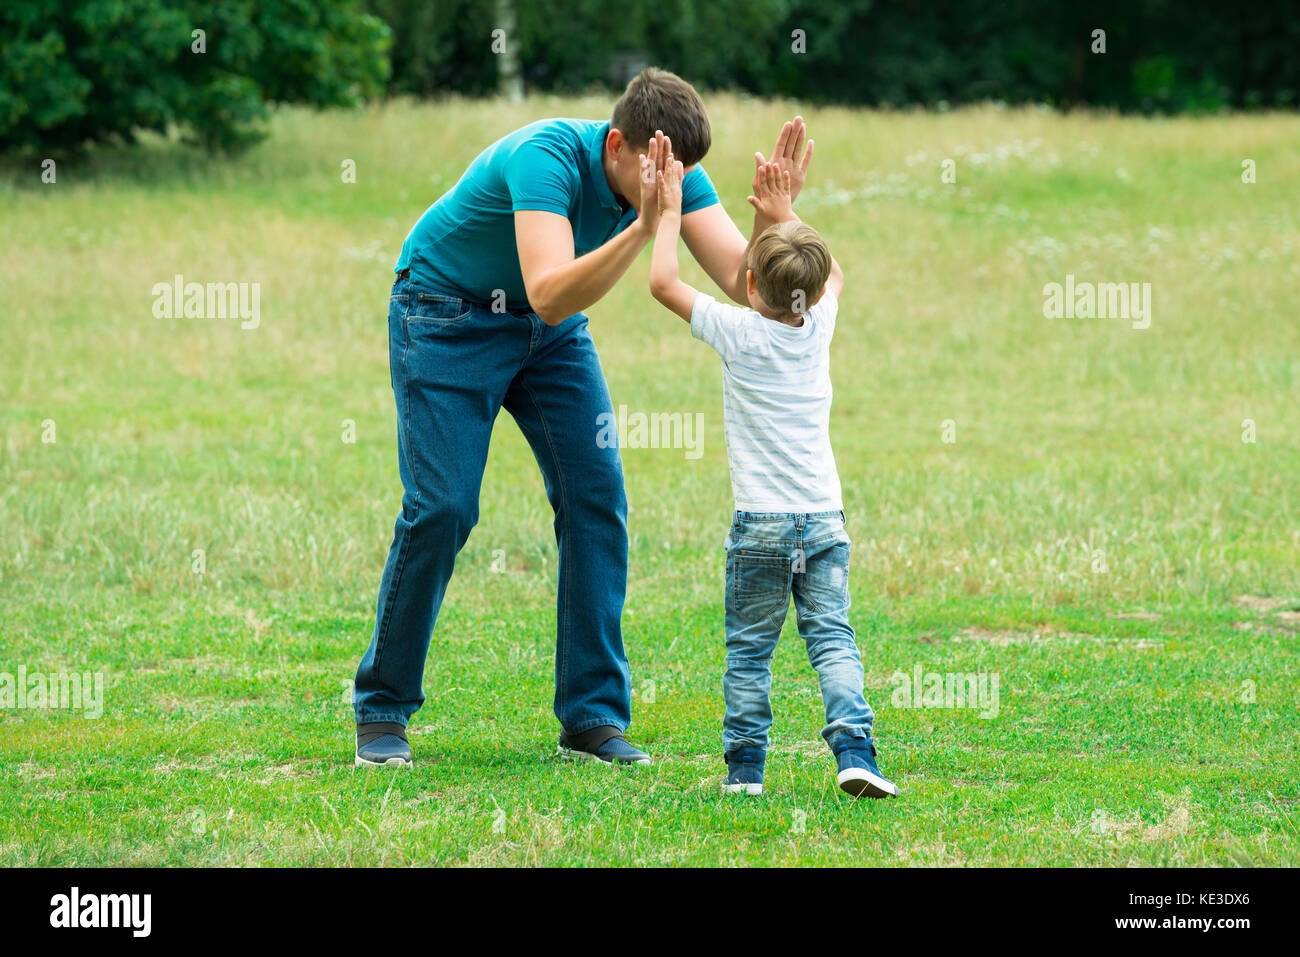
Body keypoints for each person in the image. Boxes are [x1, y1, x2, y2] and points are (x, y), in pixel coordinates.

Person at [353, 67, 816, 768]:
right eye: (658, 167)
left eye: (683, 172)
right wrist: (643, 228)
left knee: (597, 496)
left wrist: (777, 218)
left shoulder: (672, 173)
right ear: (617, 145)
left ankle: (592, 718)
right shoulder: (544, 157)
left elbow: (744, 284)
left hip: (548, 337)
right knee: (443, 506)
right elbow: (547, 292)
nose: (672, 182)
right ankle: (383, 708)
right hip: (446, 313)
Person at [647, 155, 900, 798]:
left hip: (759, 525)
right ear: (812, 295)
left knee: (750, 653)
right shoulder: (819, 326)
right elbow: (834, 273)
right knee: (834, 640)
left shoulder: (737, 331)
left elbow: (663, 284)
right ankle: (856, 753)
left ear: (749, 283)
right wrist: (784, 212)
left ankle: (745, 774)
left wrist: (671, 210)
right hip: (823, 521)